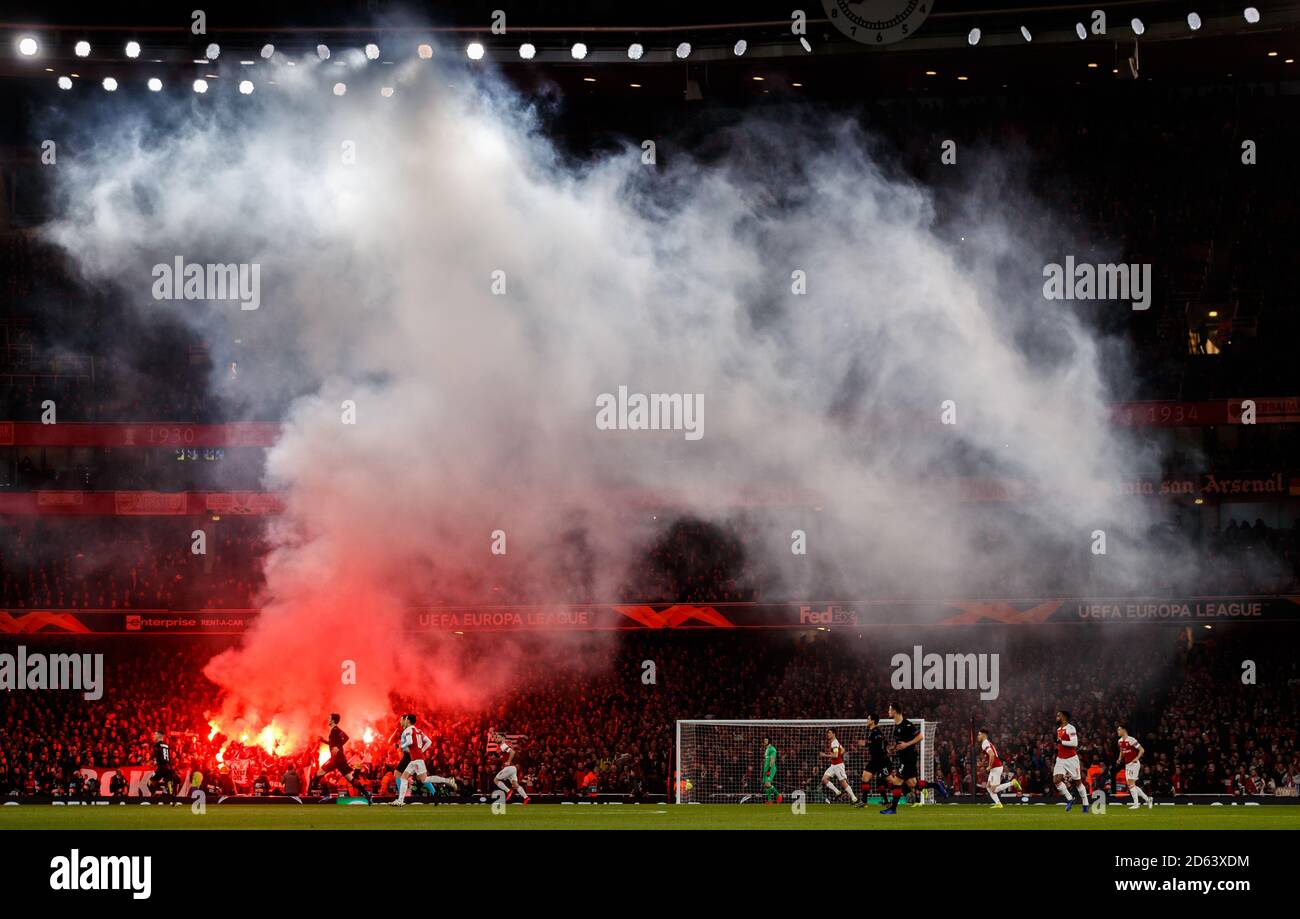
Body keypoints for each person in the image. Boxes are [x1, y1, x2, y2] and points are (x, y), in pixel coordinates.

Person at [316, 714, 372, 802]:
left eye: (329, 718)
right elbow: (332, 744)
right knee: (351, 779)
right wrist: (323, 740)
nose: (328, 719)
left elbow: (346, 737)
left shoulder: (336, 730)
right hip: (340, 760)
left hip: (336, 759)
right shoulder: (333, 731)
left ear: (333, 720)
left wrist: (338, 747)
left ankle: (326, 795)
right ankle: (366, 794)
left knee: (319, 773)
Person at [880, 703, 923, 815]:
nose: (888, 712)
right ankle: (937, 785)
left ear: (895, 711)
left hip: (909, 758)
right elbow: (900, 744)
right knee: (912, 783)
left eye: (889, 710)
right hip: (903, 757)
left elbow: (920, 736)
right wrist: (894, 748)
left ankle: (893, 809)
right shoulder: (897, 727)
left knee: (896, 782)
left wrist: (907, 745)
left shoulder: (907, 724)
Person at [1053, 710, 1090, 813]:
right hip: (1060, 759)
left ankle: (1085, 805)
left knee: (1077, 782)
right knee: (1056, 780)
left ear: (1064, 717)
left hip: (1071, 759)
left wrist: (1062, 742)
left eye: (1058, 716)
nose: (1056, 717)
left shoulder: (1070, 728)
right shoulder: (1058, 729)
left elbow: (1075, 743)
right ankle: (1070, 799)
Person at [977, 728, 1021, 807]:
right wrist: (983, 763)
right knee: (988, 787)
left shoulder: (985, 743)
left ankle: (1012, 782)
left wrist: (989, 766)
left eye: (979, 734)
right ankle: (998, 804)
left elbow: (992, 755)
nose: (978, 736)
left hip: (996, 768)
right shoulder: (986, 743)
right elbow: (990, 756)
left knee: (994, 789)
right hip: (995, 767)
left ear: (984, 735)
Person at [1116, 723, 1152, 809]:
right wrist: (1119, 759)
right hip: (1127, 764)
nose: (1118, 731)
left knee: (1131, 783)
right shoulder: (1119, 741)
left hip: (1134, 764)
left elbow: (1142, 750)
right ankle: (1148, 799)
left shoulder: (1131, 740)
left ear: (1124, 730)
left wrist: (1137, 758)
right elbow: (1121, 751)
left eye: (1119, 729)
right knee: (1131, 785)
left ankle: (1136, 804)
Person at [818, 728, 858, 804]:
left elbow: (836, 755)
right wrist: (838, 754)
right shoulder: (835, 742)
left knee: (843, 782)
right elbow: (843, 750)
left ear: (834, 734)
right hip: (833, 765)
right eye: (827, 733)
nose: (828, 734)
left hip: (838, 765)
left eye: (829, 733)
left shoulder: (834, 743)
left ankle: (854, 798)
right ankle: (837, 792)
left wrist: (824, 755)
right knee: (824, 779)